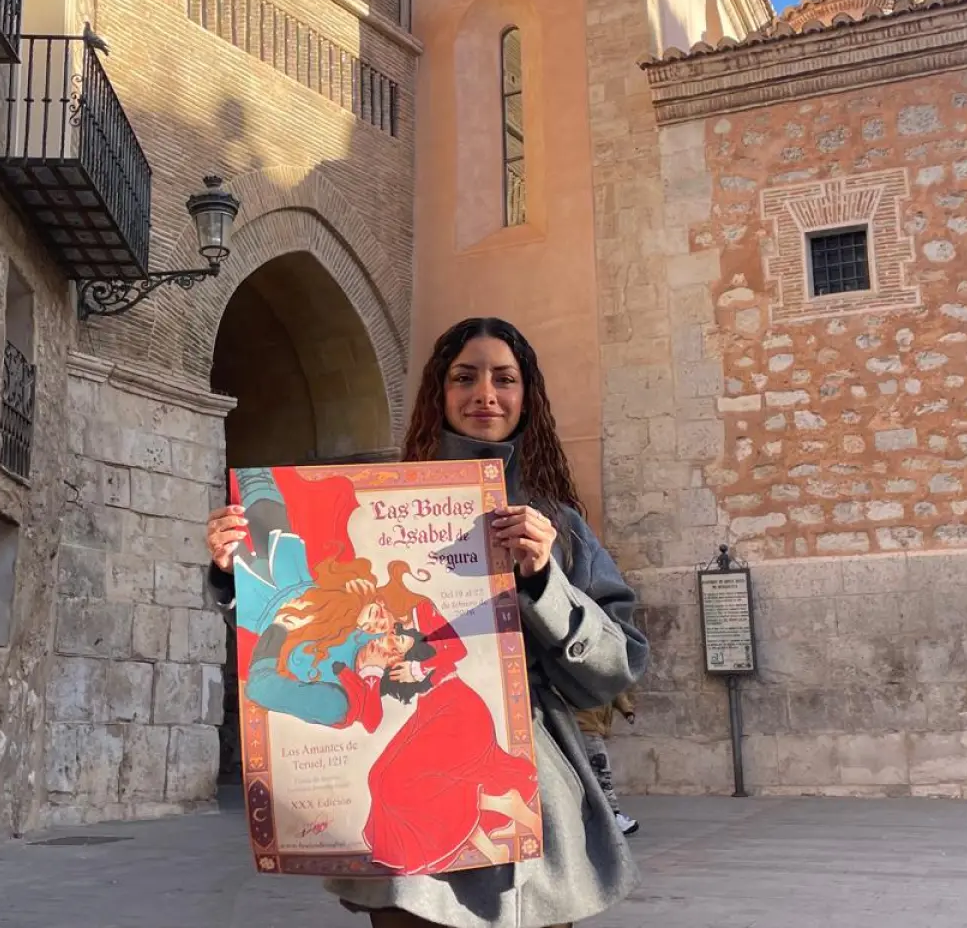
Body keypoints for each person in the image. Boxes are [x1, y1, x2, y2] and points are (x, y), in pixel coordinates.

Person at [207, 316, 649, 928]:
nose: (484, 395)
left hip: (527, 811)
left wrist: (544, 581)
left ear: (527, 396)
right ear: (439, 394)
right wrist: (242, 570)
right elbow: (300, 619)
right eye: (464, 378)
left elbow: (616, 668)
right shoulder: (378, 508)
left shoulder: (559, 523)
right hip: (397, 805)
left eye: (504, 379)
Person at [574, 692, 639, 836]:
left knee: (593, 774)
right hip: (585, 725)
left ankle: (599, 817)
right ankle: (613, 817)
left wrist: (626, 709)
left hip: (593, 725)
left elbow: (614, 686)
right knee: (601, 773)